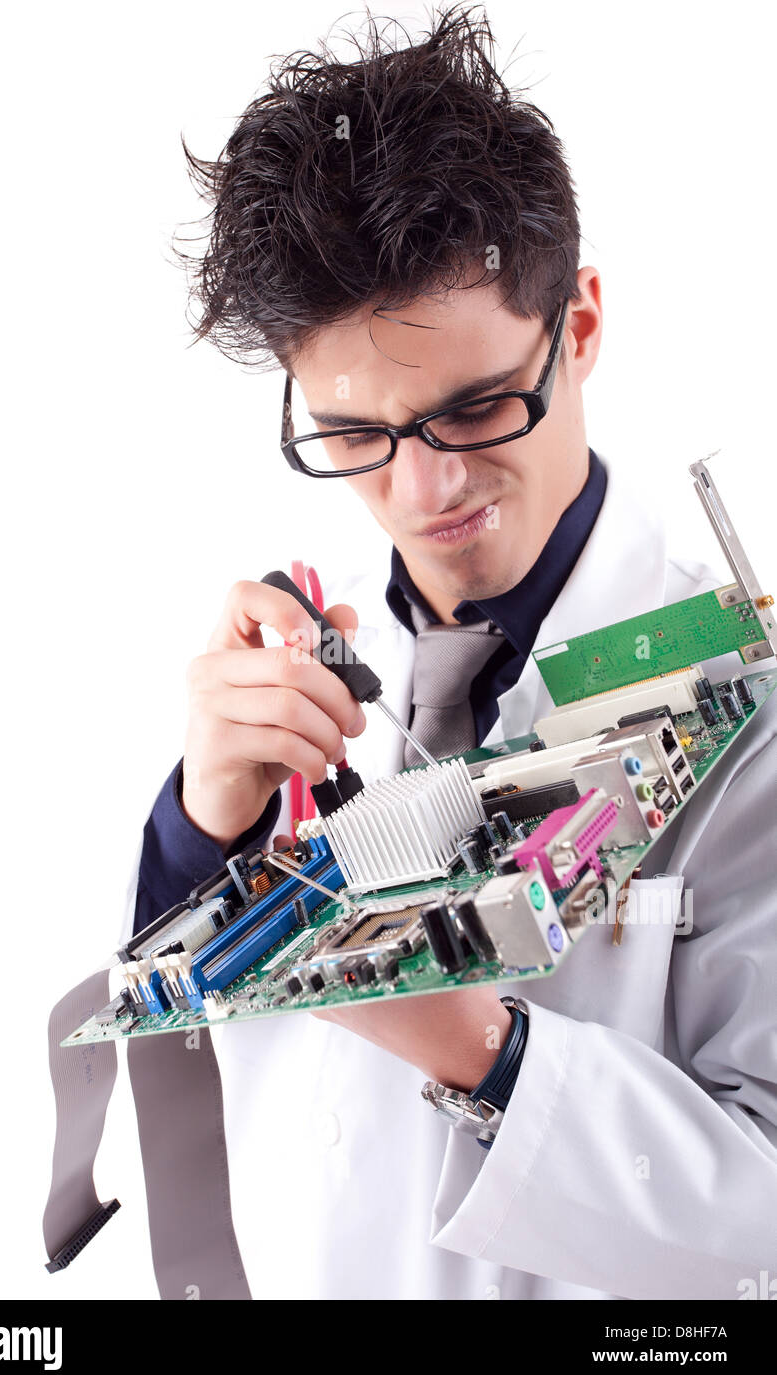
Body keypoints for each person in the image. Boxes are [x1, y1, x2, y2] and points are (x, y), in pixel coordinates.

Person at [125, 7, 777, 1298]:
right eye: (354, 432)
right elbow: (208, 1118)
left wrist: (482, 1047)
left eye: (475, 406)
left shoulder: (747, 724)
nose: (424, 488)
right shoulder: (286, 694)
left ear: (577, 326)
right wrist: (198, 841)